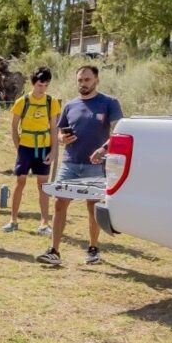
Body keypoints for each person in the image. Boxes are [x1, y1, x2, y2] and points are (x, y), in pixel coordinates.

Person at [36, 65, 122, 266]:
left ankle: (93, 249)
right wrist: (63, 139)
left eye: (87, 80)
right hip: (70, 162)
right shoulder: (70, 105)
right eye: (80, 80)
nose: (83, 83)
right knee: (60, 203)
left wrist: (104, 149)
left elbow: (119, 131)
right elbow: (59, 133)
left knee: (93, 207)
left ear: (96, 80)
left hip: (96, 164)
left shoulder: (109, 103)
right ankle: (54, 251)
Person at [4, 66, 59, 235]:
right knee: (20, 182)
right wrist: (18, 147)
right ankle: (13, 220)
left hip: (43, 148)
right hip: (26, 147)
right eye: (39, 85)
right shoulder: (22, 101)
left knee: (43, 185)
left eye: (45, 85)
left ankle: (44, 223)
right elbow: (14, 127)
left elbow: (54, 129)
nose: (42, 89)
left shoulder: (52, 102)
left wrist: (54, 151)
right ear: (33, 84)